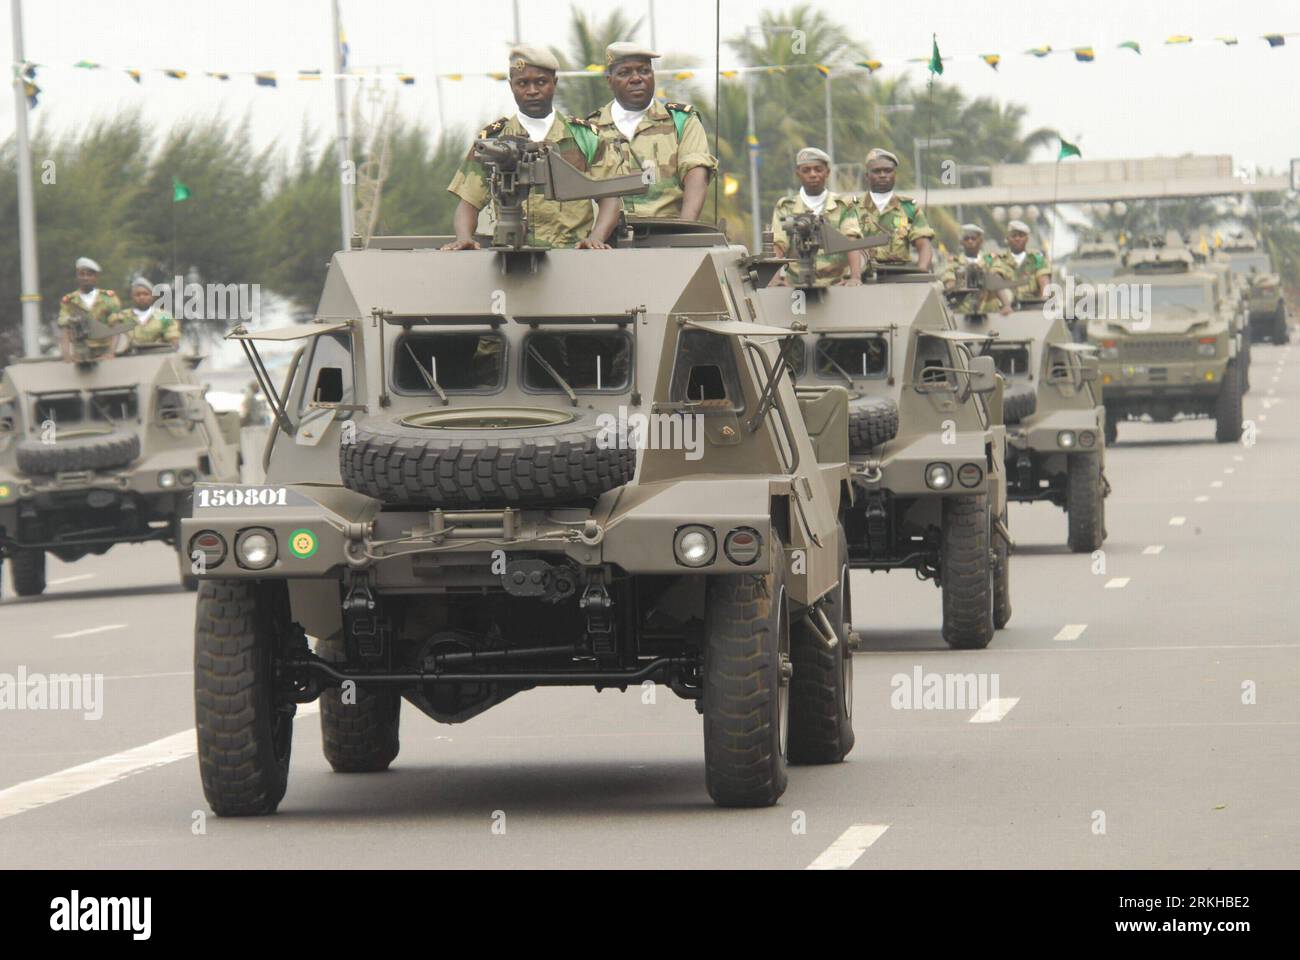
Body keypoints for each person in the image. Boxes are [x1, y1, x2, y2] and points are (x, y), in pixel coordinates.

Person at [443, 45, 624, 251]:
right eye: (523, 83)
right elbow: (469, 202)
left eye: (541, 82)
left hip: (572, 256)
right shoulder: (494, 142)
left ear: (554, 83)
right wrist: (464, 237)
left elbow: (610, 197)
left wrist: (596, 238)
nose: (532, 91)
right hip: (511, 256)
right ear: (511, 86)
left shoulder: (585, 137)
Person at [587, 42, 717, 220]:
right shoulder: (591, 130)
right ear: (610, 81)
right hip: (608, 241)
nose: (636, 79)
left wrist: (685, 232)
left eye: (644, 71)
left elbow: (696, 173)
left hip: (668, 234)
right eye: (624, 73)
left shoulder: (681, 121)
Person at [770, 147, 864, 286]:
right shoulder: (786, 207)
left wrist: (855, 277)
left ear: (827, 172)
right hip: (795, 288)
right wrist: (774, 279)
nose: (813, 174)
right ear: (798, 173)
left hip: (837, 285)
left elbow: (851, 241)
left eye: (818, 169)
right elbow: (778, 243)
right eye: (806, 170)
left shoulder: (843, 205)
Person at [856, 148, 934, 271]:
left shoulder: (909, 208)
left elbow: (923, 244)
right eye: (876, 171)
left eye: (888, 171)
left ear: (894, 174)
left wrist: (921, 271)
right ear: (867, 175)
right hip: (862, 275)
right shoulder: (852, 208)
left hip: (898, 275)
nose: (882, 175)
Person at [57, 257, 124, 360]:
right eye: (82, 274)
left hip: (104, 350)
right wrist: (66, 355)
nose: (85, 278)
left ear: (96, 277)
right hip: (80, 353)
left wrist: (111, 352)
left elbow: (116, 326)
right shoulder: (69, 301)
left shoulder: (108, 298)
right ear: (77, 276)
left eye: (89, 274)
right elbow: (64, 328)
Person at [942, 225, 1014, 315]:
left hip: (990, 312)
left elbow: (997, 278)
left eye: (973, 238)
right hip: (963, 313)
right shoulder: (954, 262)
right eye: (966, 238)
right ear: (961, 242)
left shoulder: (991, 260)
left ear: (981, 241)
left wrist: (1006, 305)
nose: (970, 241)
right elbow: (949, 283)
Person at [995, 220, 1051, 300]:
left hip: (1032, 306)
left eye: (1021, 236)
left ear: (1027, 239)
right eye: (1014, 236)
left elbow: (1044, 282)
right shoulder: (999, 260)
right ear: (1007, 239)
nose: (1017, 239)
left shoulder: (1036, 259)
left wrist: (1044, 302)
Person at [120, 277, 180, 347]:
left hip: (157, 355)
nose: (142, 297)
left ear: (152, 296)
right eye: (138, 295)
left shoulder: (164, 316)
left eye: (145, 294)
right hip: (128, 356)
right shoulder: (122, 316)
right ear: (132, 297)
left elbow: (173, 339)